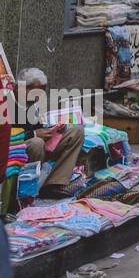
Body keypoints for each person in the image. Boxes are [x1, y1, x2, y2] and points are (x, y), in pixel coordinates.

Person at [14, 68, 85, 198]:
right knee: (37, 142)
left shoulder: (32, 103)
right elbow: (8, 136)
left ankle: (53, 184)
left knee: (76, 132)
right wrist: (34, 134)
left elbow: (39, 127)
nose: (39, 96)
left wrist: (54, 130)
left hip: (40, 148)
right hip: (18, 149)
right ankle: (28, 189)